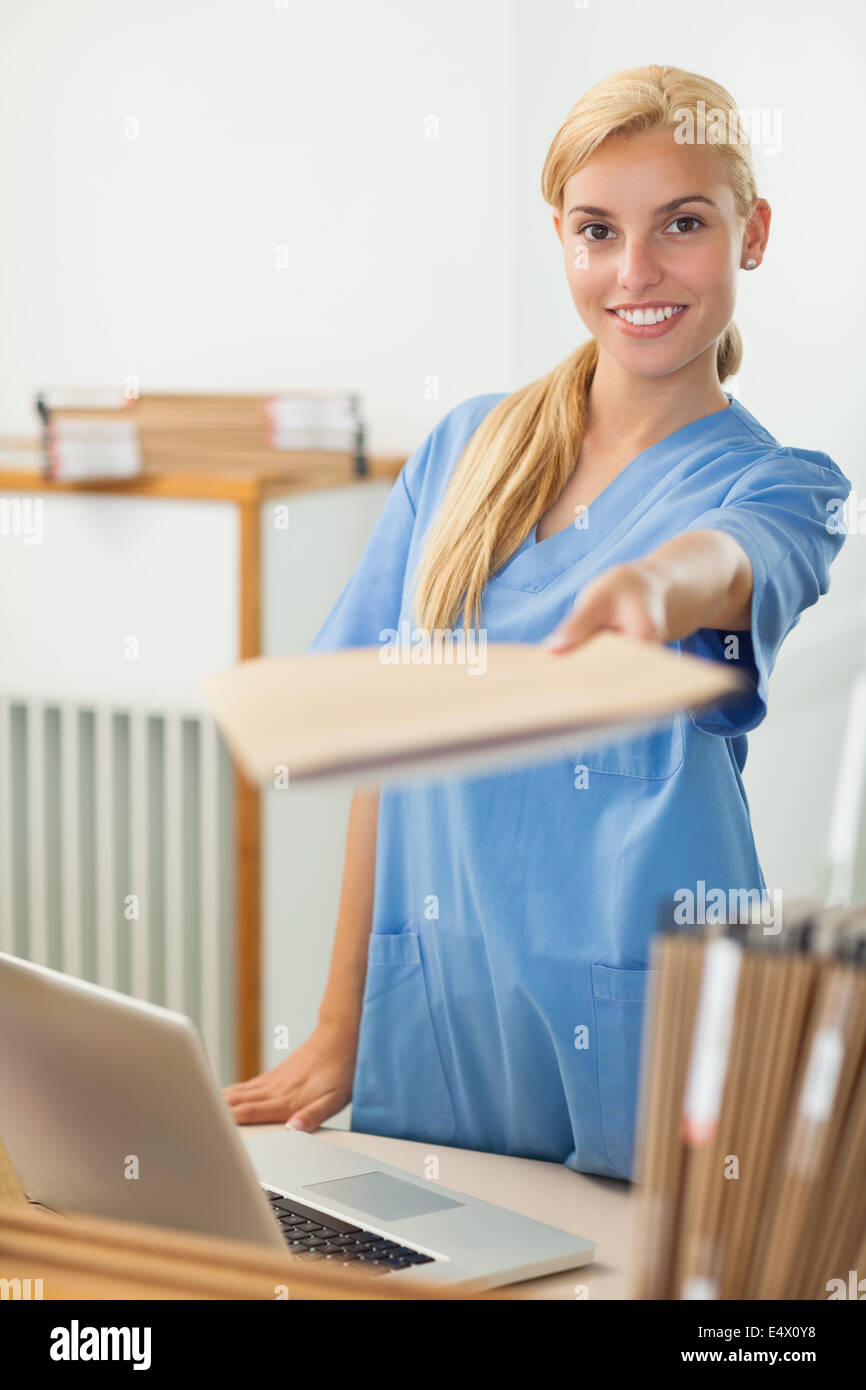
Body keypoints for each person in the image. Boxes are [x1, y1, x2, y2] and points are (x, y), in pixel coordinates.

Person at [223, 64, 850, 1181]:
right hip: (438, 1011)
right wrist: (336, 1024)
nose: (635, 271)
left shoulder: (776, 484)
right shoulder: (464, 452)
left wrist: (653, 592)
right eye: (596, 230)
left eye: (682, 225)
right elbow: (377, 732)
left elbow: (735, 560)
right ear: (558, 239)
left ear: (750, 234)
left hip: (650, 1021)